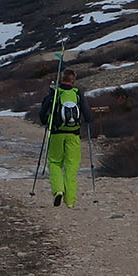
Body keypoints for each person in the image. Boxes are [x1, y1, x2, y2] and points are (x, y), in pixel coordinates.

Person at [37, 67, 95, 207]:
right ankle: (70, 201)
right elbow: (88, 117)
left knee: (55, 162)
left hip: (57, 133)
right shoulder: (77, 93)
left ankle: (58, 190)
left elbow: (42, 114)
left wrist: (46, 121)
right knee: (72, 166)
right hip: (74, 135)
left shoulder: (55, 92)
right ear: (73, 80)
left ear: (61, 79)